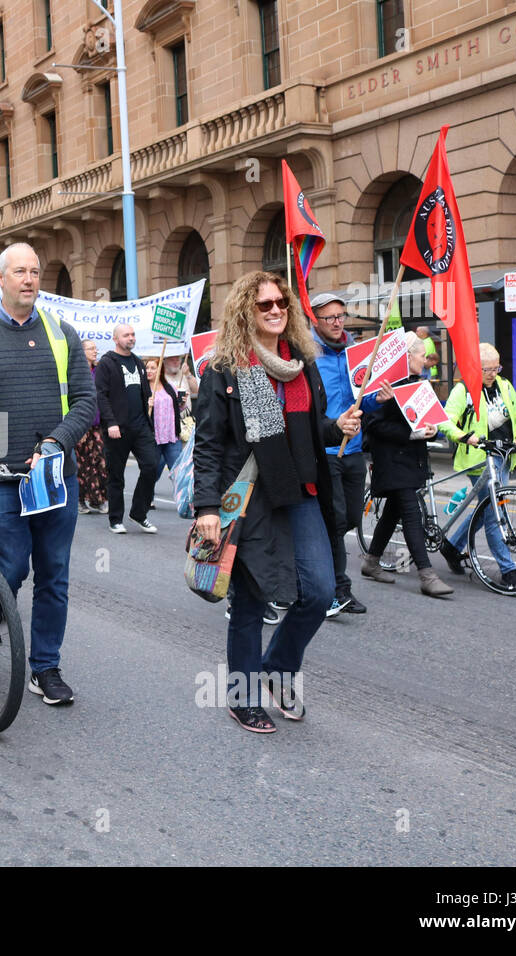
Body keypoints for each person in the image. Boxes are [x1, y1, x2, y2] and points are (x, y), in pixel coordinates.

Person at [193, 271, 362, 734]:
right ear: (246, 311)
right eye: (264, 304)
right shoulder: (225, 368)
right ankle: (242, 698)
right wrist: (206, 507)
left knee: (320, 593)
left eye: (281, 303)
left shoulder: (301, 363)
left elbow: (308, 431)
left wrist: (337, 427)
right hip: (251, 498)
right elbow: (208, 443)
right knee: (251, 602)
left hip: (301, 493)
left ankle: (277, 668)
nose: (274, 310)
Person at [0, 241, 97, 706]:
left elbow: (86, 402)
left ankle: (45, 668)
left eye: (34, 271)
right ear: (0, 279)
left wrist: (56, 441)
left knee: (54, 575)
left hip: (54, 478)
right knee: (9, 568)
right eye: (19, 272)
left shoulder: (61, 332)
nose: (29, 279)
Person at [360, 334, 453, 597]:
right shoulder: (386, 385)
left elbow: (427, 421)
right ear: (407, 357)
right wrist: (410, 434)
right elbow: (373, 425)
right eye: (422, 356)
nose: (426, 360)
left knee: (392, 512)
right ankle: (427, 575)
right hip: (391, 460)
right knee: (411, 513)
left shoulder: (418, 383)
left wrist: (432, 430)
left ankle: (371, 562)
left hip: (411, 459)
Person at [436, 342, 516, 590]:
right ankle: (508, 570)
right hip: (479, 460)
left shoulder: (504, 385)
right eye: (487, 369)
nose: (493, 373)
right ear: (475, 368)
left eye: (496, 368)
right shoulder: (463, 390)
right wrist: (465, 436)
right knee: (494, 513)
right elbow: (445, 421)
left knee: (487, 508)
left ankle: (452, 546)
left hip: (504, 456)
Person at [310, 291, 379, 617]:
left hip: (353, 449)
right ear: (315, 320)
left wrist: (377, 399)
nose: (337, 323)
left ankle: (315, 570)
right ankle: (338, 589)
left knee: (350, 518)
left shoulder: (355, 353)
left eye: (341, 316)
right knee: (335, 520)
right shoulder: (307, 355)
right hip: (325, 450)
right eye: (330, 318)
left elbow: (362, 398)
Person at [94, 324, 159, 534]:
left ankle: (139, 513)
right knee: (116, 475)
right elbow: (101, 395)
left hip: (141, 427)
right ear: (115, 339)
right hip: (117, 429)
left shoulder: (138, 362)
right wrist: (111, 422)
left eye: (133, 334)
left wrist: (149, 399)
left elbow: (143, 391)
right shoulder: (106, 363)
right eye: (126, 335)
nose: (131, 338)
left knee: (151, 466)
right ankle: (115, 519)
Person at [74, 340, 109, 515]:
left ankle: (98, 499)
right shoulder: (76, 372)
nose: (95, 352)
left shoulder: (99, 372)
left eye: (96, 349)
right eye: (91, 349)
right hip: (81, 426)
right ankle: (80, 500)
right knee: (82, 465)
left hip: (97, 426)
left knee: (100, 462)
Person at [150, 353, 186, 486]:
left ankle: (182, 497)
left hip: (172, 437)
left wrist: (182, 403)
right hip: (154, 438)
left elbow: (177, 409)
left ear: (160, 370)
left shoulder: (169, 387)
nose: (149, 371)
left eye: (153, 368)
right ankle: (147, 494)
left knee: (178, 472)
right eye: (147, 368)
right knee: (153, 471)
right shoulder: (143, 389)